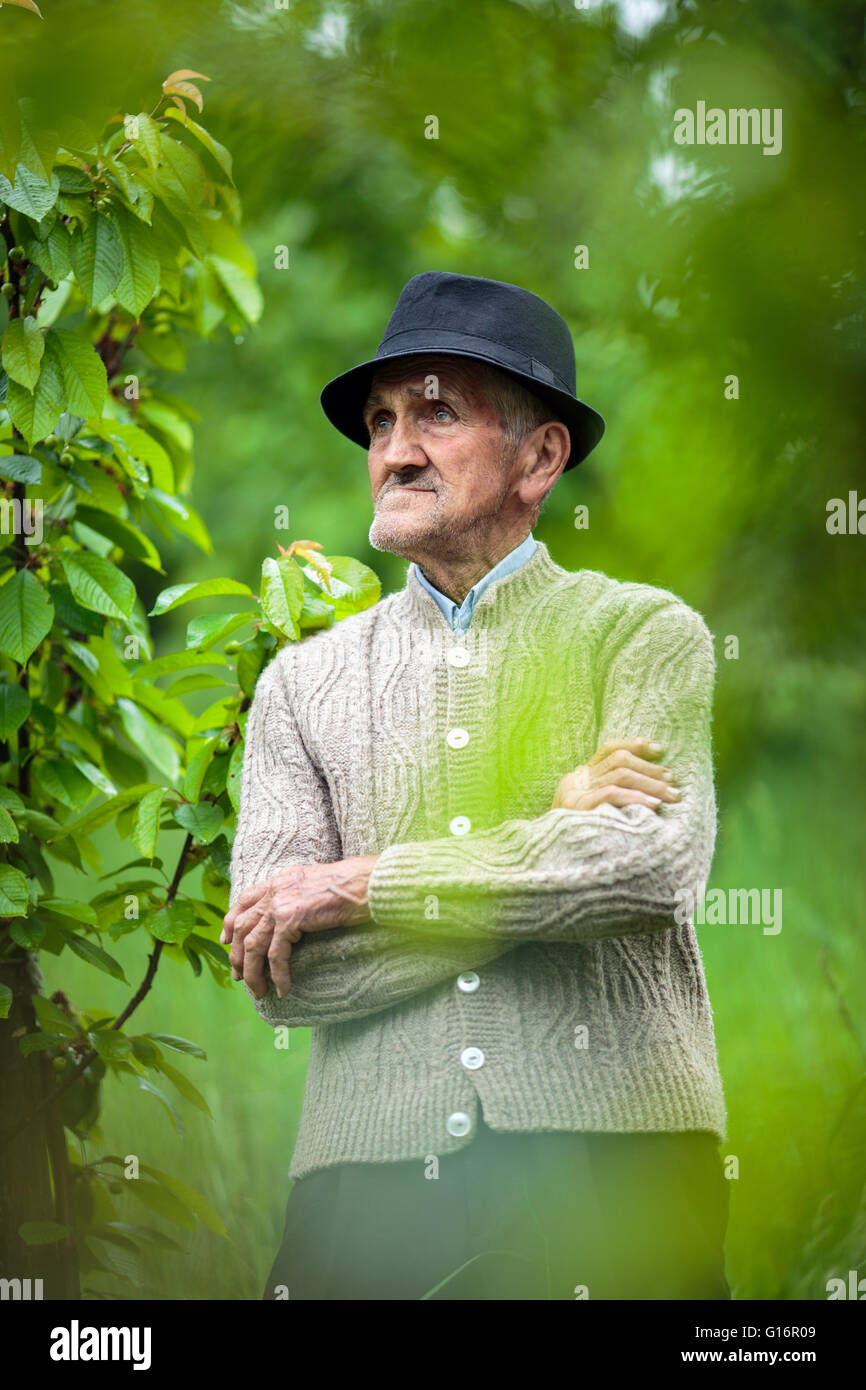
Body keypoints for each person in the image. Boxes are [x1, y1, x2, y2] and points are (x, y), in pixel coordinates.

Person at [221, 271, 730, 1300]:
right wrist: (549, 833)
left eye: (435, 412)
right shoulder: (300, 683)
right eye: (380, 420)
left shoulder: (640, 633)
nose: (394, 450)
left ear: (538, 457)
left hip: (616, 1167)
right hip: (362, 1186)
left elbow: (642, 872)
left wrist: (356, 887)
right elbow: (283, 970)